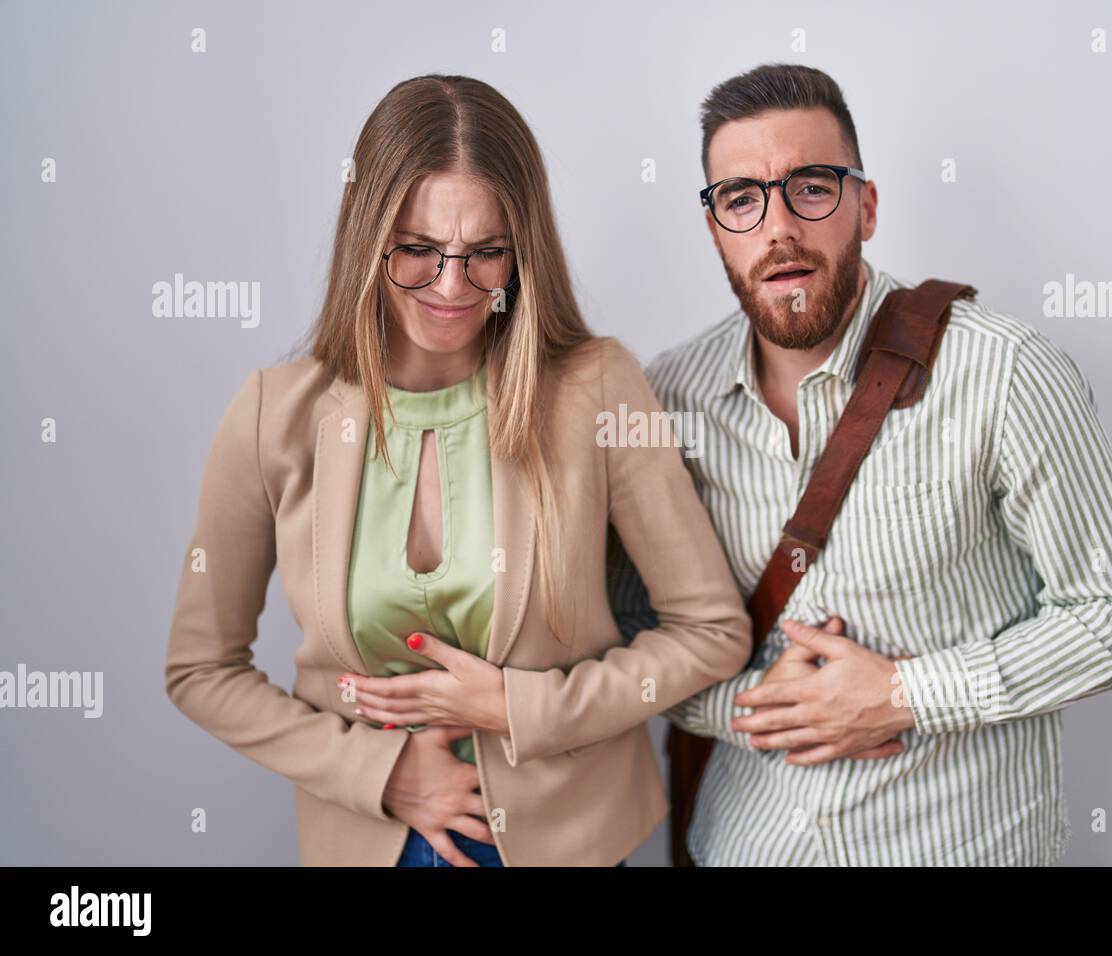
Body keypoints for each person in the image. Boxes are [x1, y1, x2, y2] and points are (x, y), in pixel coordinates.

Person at [164, 73, 751, 867]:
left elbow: (710, 634)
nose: (451, 287)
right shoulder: (275, 413)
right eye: (416, 250)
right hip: (367, 844)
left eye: (486, 255)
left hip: (570, 844)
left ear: (523, 249)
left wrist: (521, 706)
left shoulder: (597, 388)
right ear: (367, 238)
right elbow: (201, 668)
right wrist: (379, 771)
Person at [609, 63, 1112, 866]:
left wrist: (904, 696)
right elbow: (630, 625)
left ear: (866, 207)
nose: (778, 227)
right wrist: (759, 706)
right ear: (715, 230)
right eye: (741, 198)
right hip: (746, 845)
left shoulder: (1007, 374)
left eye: (812, 187)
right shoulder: (665, 396)